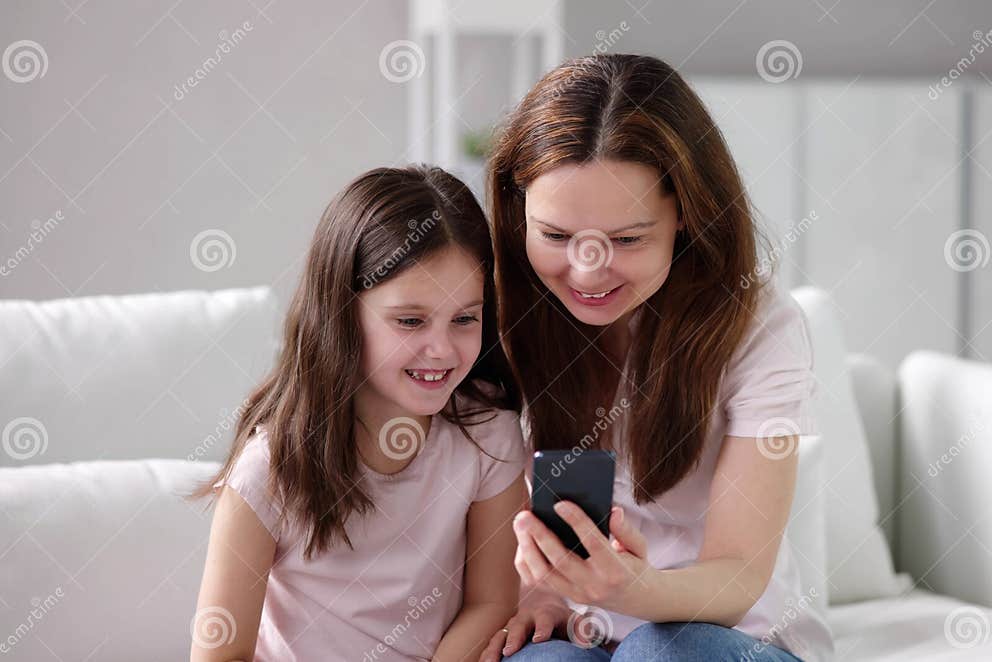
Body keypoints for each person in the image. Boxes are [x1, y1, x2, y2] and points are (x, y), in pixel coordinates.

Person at [481, 54, 833, 662]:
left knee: (659, 652)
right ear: (519, 218)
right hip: (584, 633)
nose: (587, 270)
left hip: (728, 635)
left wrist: (635, 592)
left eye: (627, 239)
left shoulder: (757, 325)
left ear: (686, 217)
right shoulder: (497, 315)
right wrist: (541, 594)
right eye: (558, 236)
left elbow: (739, 576)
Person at [187, 165, 527, 662]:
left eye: (464, 318)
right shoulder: (270, 468)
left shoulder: (488, 434)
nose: (441, 349)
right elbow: (219, 653)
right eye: (410, 321)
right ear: (341, 316)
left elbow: (492, 602)